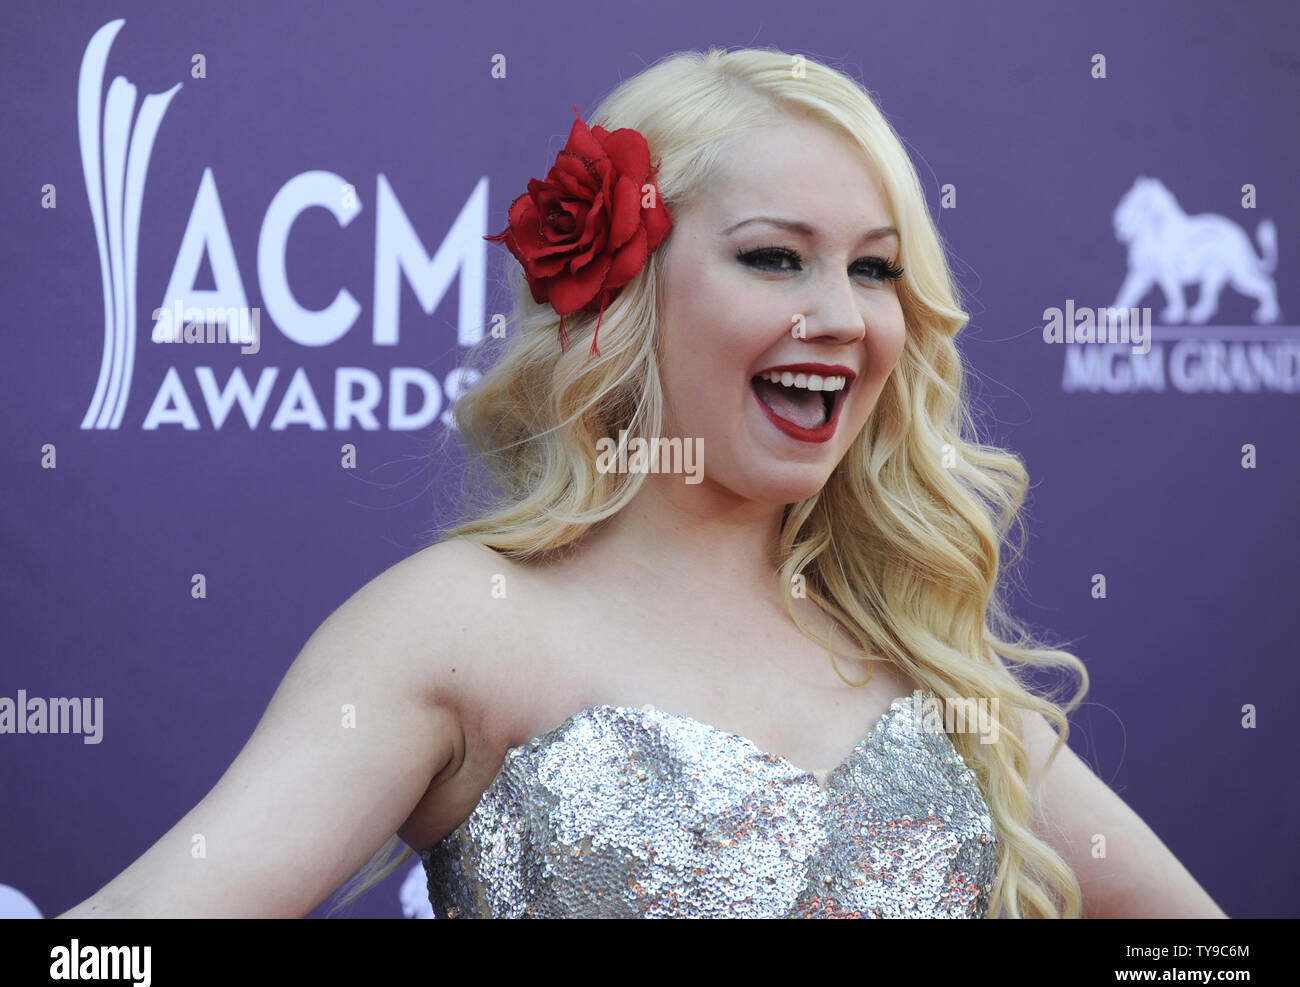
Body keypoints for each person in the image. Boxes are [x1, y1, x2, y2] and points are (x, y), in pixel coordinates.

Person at [58, 46, 1226, 919]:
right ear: (626, 293)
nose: (838, 316)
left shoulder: (918, 651)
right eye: (775, 256)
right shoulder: (464, 623)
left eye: (874, 268)